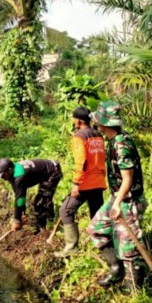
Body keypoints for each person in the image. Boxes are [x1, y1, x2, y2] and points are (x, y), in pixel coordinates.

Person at [87, 100, 146, 291]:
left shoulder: (122, 145)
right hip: (117, 196)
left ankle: (134, 290)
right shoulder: (113, 141)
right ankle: (116, 269)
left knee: (129, 247)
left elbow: (127, 179)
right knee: (96, 228)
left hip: (129, 201)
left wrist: (118, 203)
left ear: (104, 123)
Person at [55, 106, 106, 258]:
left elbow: (81, 161)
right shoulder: (98, 135)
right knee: (96, 214)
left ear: (77, 120)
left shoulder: (79, 136)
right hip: (99, 181)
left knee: (65, 211)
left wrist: (76, 183)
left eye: (73, 118)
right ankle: (103, 246)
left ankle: (71, 248)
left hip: (85, 182)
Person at [0, 157, 63, 233]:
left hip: (53, 172)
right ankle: (51, 217)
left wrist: (17, 220)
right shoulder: (11, 173)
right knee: (44, 198)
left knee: (40, 202)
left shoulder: (19, 176)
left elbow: (20, 199)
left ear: (9, 170)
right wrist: (22, 214)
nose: (2, 178)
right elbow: (18, 194)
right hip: (45, 172)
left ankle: (41, 228)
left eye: (3, 175)